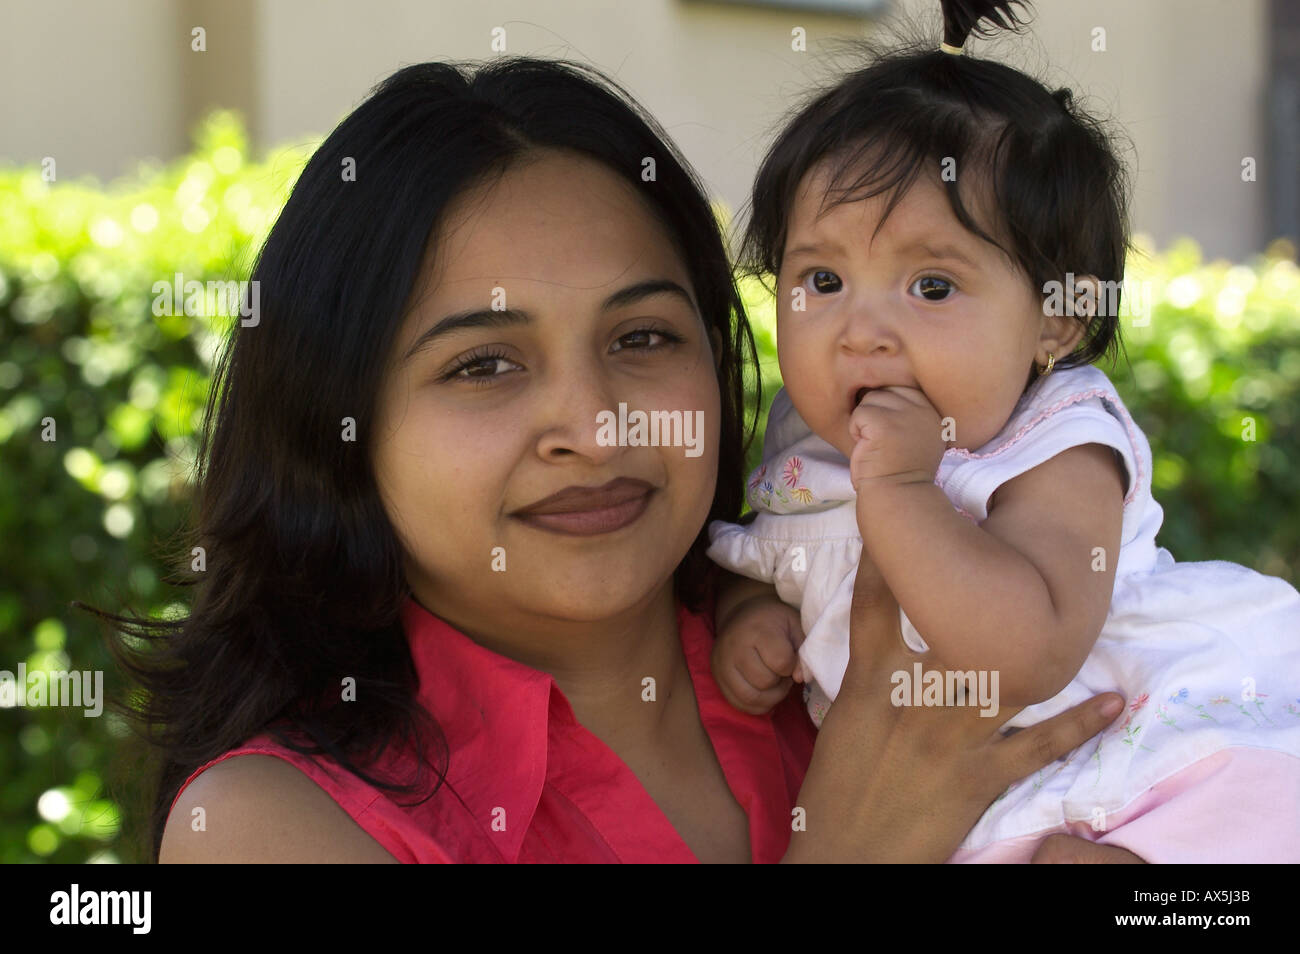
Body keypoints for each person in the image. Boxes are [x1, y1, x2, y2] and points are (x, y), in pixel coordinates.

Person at [93, 57, 1128, 863]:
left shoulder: (866, 659)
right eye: (484, 363)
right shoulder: (267, 827)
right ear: (339, 414)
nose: (595, 429)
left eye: (641, 341)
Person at [706, 0, 1300, 862]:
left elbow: (1028, 651)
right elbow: (774, 551)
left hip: (1132, 753)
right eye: (823, 278)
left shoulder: (1057, 443)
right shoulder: (806, 440)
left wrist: (905, 494)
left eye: (933, 288)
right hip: (956, 813)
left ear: (1055, 323)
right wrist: (751, 615)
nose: (860, 329)